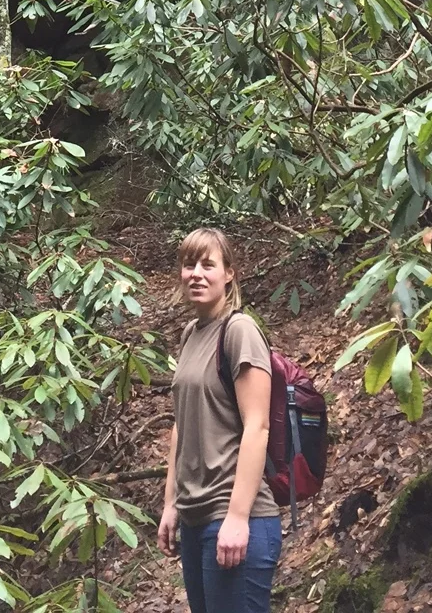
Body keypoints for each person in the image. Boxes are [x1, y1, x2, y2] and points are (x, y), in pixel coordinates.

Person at [157, 228, 281, 613]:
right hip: (196, 521)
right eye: (188, 264)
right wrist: (170, 503)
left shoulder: (239, 331)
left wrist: (237, 517)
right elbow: (182, 423)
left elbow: (257, 426)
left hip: (234, 517)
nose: (196, 273)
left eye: (207, 265)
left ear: (229, 274)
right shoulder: (190, 334)